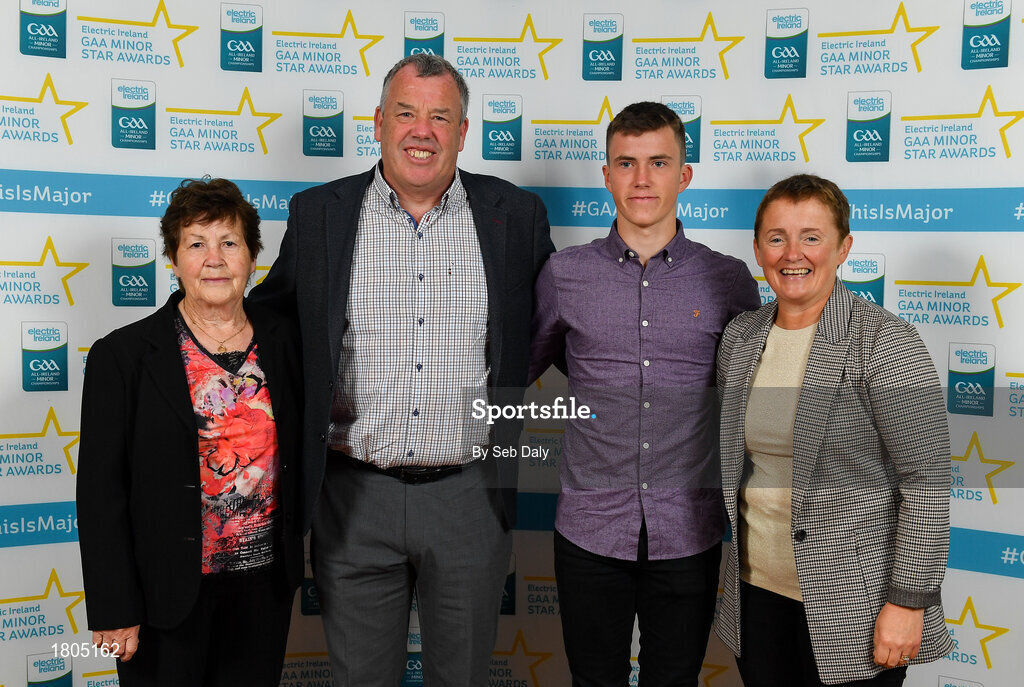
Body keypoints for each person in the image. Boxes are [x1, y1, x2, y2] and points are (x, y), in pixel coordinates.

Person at [250, 53, 554, 685]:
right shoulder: (319, 214)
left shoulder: (517, 215)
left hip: (470, 496)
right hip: (351, 498)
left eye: (440, 117)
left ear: (463, 132)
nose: (422, 131)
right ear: (379, 122)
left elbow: (553, 324)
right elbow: (269, 329)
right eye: (406, 113)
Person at [529, 101, 760, 686]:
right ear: (606, 175)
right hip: (589, 527)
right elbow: (529, 364)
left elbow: (749, 393)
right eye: (626, 163)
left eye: (659, 162)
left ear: (684, 175)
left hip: (689, 529)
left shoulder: (729, 279)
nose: (641, 179)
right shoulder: (564, 275)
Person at [714, 174, 953, 686]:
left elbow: (927, 480)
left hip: (857, 605)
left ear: (843, 248)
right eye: (776, 238)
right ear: (757, 249)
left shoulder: (885, 341)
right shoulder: (740, 337)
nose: (792, 254)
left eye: (811, 237)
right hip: (756, 596)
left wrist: (908, 601)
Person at [76, 178, 304, 686]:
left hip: (263, 590)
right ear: (173, 261)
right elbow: (100, 495)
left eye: (229, 242)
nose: (214, 259)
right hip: (164, 595)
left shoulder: (286, 341)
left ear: (252, 256)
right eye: (196, 244)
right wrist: (114, 608)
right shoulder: (122, 356)